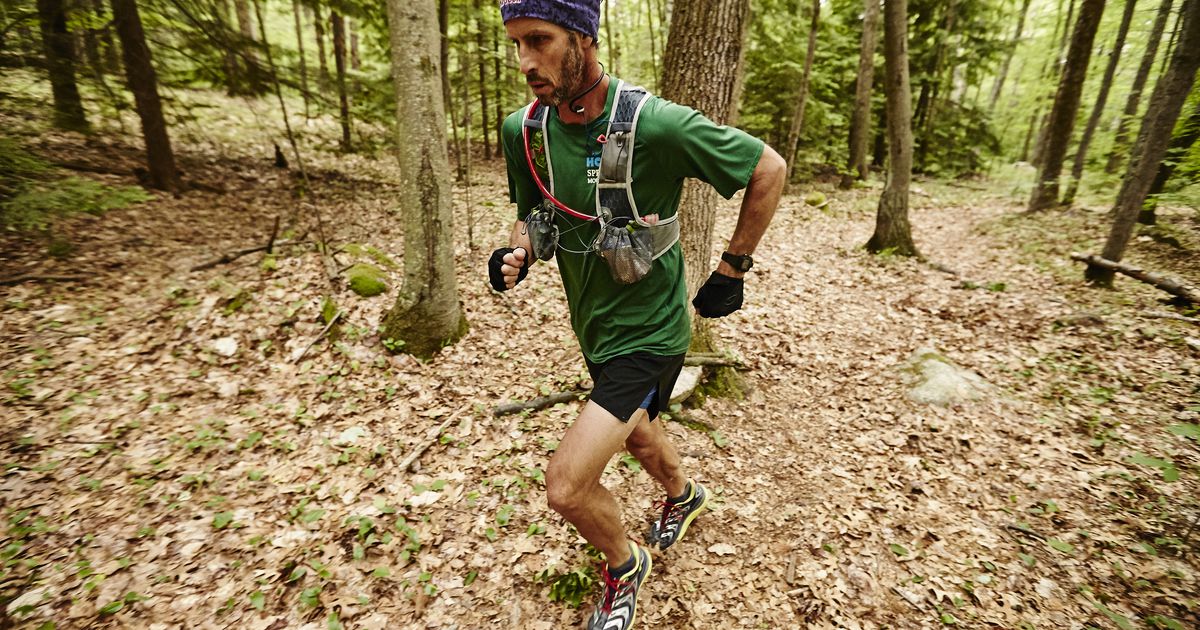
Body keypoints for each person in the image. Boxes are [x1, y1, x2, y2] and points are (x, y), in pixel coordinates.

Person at [488, 1, 785, 628]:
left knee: (567, 484)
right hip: (593, 324)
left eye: (539, 40)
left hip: (652, 330)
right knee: (639, 429)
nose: (524, 62)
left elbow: (768, 168)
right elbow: (532, 213)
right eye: (515, 43)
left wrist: (734, 268)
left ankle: (625, 566)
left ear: (583, 35)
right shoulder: (525, 130)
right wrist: (516, 253)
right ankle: (685, 496)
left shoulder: (657, 125)